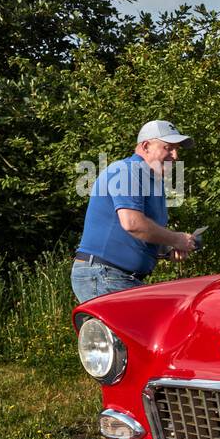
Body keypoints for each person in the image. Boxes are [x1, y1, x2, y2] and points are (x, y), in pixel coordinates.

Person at [71, 121, 198, 303]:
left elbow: (136, 233)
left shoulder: (151, 180)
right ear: (145, 146)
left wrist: (167, 248)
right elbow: (132, 224)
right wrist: (176, 239)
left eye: (177, 149)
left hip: (113, 276)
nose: (175, 156)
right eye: (168, 148)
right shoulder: (128, 171)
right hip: (103, 274)